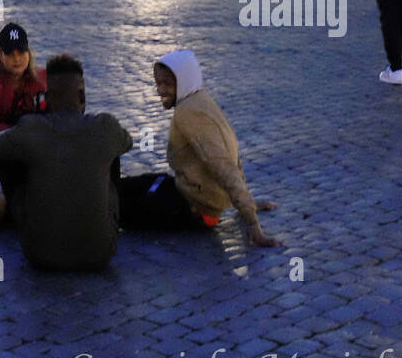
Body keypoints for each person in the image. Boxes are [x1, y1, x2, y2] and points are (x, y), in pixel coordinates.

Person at [0, 54, 133, 271]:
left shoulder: (32, 128)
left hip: (41, 253)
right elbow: (127, 142)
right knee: (111, 153)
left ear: (46, 98)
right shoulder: (105, 126)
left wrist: (24, 133)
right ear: (81, 95)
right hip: (100, 253)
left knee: (8, 158)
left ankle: (20, 217)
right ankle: (101, 221)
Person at [118, 51, 280, 245]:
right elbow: (232, 154)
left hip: (194, 208)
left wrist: (251, 220)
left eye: (167, 84)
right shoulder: (201, 99)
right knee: (128, 185)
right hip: (187, 190)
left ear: (184, 80)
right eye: (158, 83)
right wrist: (247, 203)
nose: (160, 90)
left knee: (115, 203)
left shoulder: (189, 113)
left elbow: (222, 164)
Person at [0, 24, 46, 135]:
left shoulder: (42, 76)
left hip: (34, 138)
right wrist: (21, 134)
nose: (16, 59)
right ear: (1, 55)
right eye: (10, 54)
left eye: (21, 53)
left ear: (28, 53)